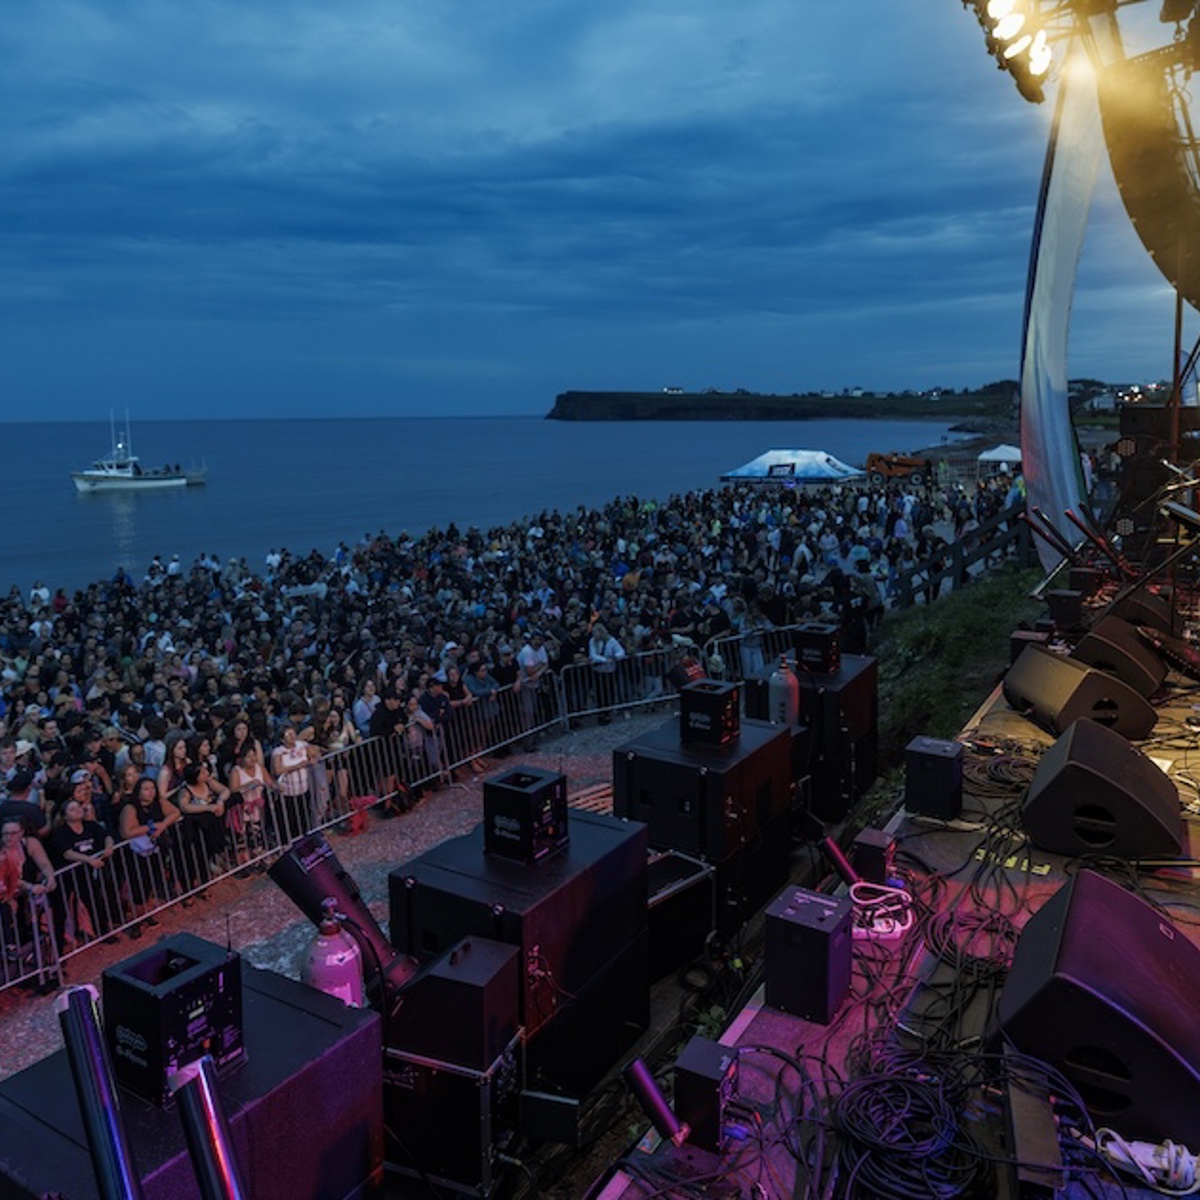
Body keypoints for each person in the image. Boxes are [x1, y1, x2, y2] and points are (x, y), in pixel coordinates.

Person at [48, 796, 121, 942]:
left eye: (78, 807)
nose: (77, 811)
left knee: (94, 902)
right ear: (65, 815)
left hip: (84, 874)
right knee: (61, 910)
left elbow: (107, 835)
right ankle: (59, 945)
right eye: (72, 809)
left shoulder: (90, 825)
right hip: (64, 876)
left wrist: (108, 847)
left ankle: (103, 933)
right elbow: (67, 853)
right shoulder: (60, 832)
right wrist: (90, 860)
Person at [117, 775, 180, 926]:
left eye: (152, 788)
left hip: (154, 850)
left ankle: (145, 912)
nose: (150, 792)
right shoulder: (130, 808)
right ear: (138, 792)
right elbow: (126, 831)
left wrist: (163, 825)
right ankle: (134, 919)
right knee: (137, 885)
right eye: (146, 789)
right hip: (135, 854)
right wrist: (150, 828)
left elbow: (175, 812)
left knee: (151, 882)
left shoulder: (159, 802)